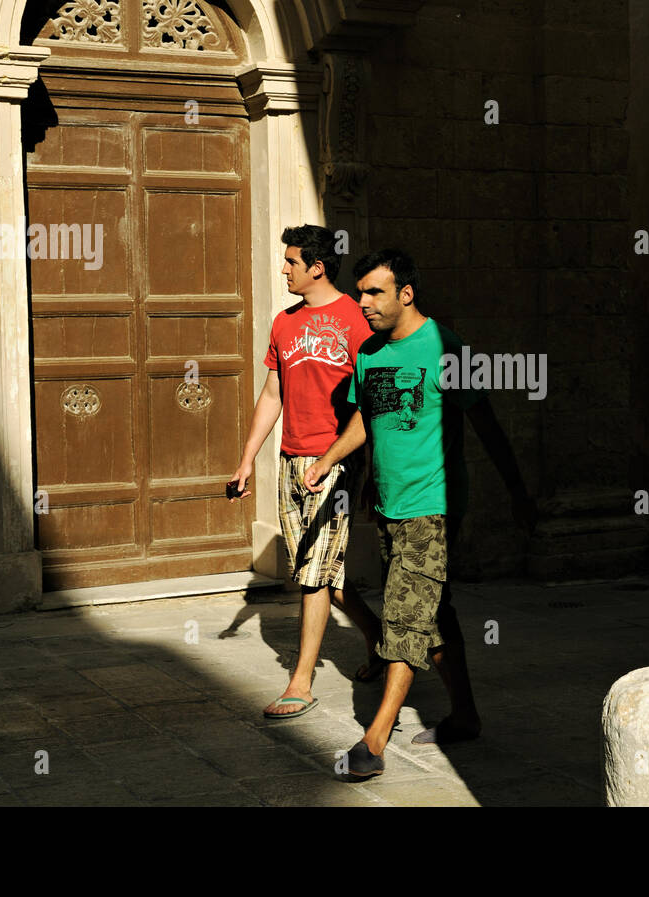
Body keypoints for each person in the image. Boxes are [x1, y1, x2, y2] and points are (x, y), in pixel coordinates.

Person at [304, 248, 536, 777]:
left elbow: (487, 425)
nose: (363, 303)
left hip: (433, 507)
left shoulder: (444, 348)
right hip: (389, 506)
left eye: (374, 293)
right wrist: (330, 462)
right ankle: (467, 716)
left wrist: (519, 493)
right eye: (360, 292)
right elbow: (368, 418)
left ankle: (375, 740)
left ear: (406, 294)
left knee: (405, 617)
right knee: (435, 613)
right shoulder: (369, 353)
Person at [229, 224, 383, 721]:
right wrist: (248, 457)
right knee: (324, 575)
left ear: (317, 266)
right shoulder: (283, 323)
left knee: (314, 576)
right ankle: (382, 641)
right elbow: (272, 395)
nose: (284, 269)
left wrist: (354, 464)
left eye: (292, 261)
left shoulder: (357, 320)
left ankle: (301, 681)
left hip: (336, 461)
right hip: (290, 460)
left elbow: (374, 403)